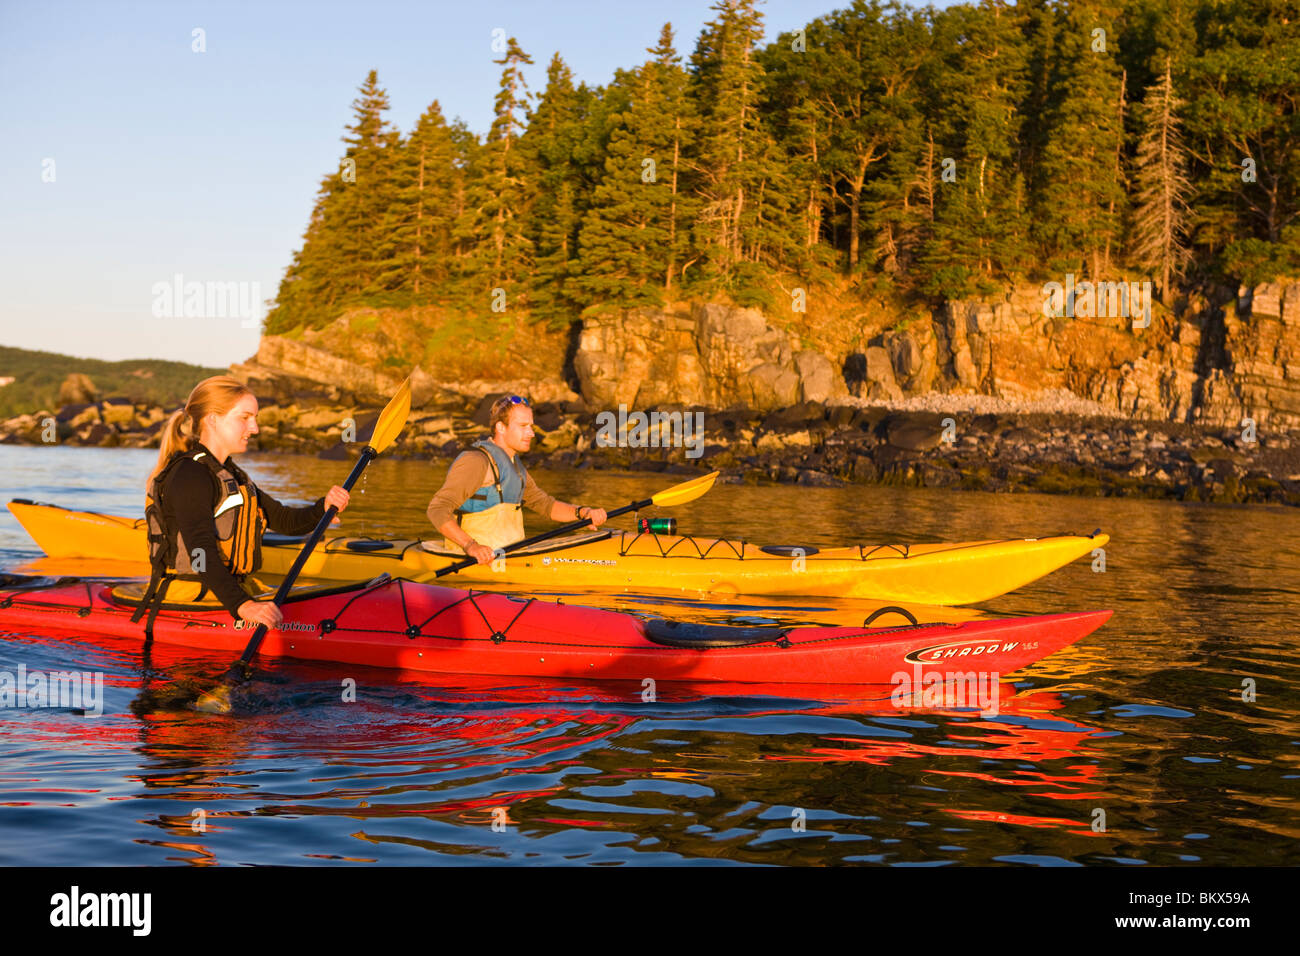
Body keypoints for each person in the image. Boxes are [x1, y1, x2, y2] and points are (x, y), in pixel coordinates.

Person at [133, 375, 349, 634]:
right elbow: (199, 553)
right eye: (245, 418)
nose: (255, 428)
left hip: (226, 589)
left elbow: (284, 520)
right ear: (212, 419)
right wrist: (242, 606)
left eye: (254, 418)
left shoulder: (230, 474)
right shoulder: (190, 475)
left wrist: (321, 509)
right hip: (192, 595)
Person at [427, 395, 606, 564]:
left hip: (512, 557)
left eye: (531, 426)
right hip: (472, 561)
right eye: (523, 426)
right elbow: (437, 509)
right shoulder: (475, 461)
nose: (531, 433)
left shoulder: (516, 467)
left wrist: (583, 512)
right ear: (500, 428)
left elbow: (545, 505)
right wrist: (471, 546)